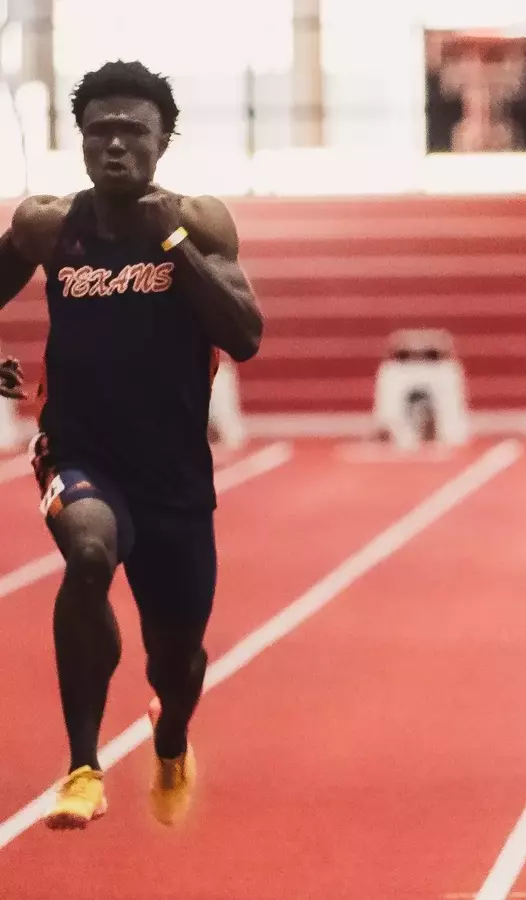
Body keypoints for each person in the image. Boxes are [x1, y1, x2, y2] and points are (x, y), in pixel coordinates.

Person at [0, 61, 263, 830]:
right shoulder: (48, 225)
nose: (115, 146)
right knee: (88, 553)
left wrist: (171, 242)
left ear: (163, 141)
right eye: (99, 132)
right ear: (79, 140)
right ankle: (83, 766)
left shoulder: (198, 220)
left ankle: (171, 732)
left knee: (177, 662)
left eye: (132, 133)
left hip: (175, 474)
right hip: (79, 450)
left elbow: (244, 336)